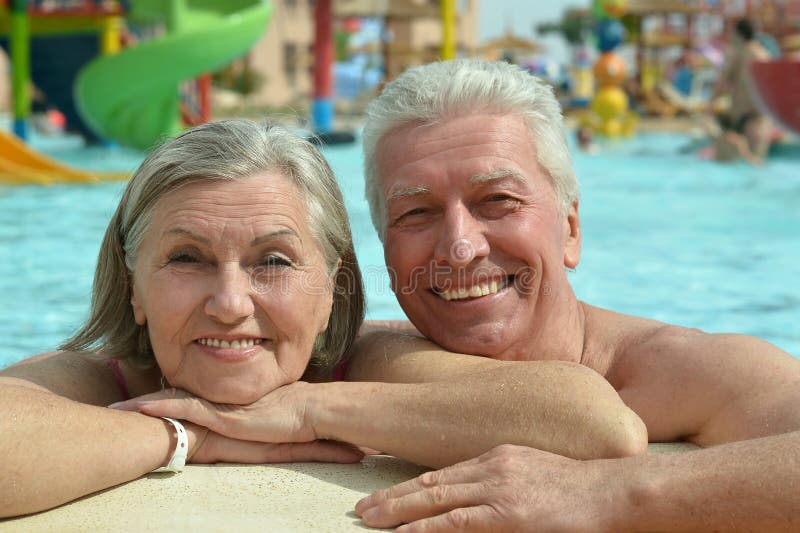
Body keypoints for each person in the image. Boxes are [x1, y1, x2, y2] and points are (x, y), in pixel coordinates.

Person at [0, 119, 645, 518]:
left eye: (273, 261)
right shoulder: (104, 379)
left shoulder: (360, 365)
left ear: (332, 290)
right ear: (134, 288)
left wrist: (310, 409)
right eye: (187, 259)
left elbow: (598, 424)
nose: (230, 303)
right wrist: (186, 437)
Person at [342, 59, 799, 531]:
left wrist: (608, 492)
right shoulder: (371, 356)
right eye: (416, 212)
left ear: (571, 229)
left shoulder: (686, 373)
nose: (460, 247)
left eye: (498, 200)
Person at [711, 18, 773, 161]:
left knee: (729, 161)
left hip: (741, 115)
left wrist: (709, 107)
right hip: (761, 118)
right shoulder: (765, 55)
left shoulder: (738, 54)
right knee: (756, 162)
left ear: (738, 34)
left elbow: (721, 83)